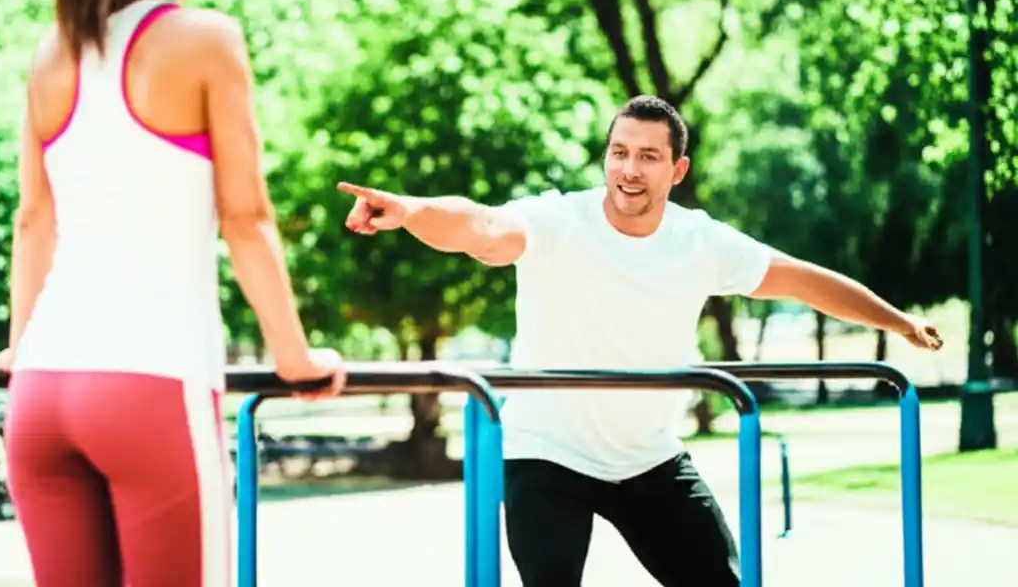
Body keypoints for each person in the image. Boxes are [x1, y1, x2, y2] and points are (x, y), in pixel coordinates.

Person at [338, 94, 942, 587]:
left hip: (648, 458)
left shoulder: (699, 241)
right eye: (619, 152)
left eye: (649, 157)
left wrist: (898, 322)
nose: (629, 169)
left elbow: (802, 281)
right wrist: (413, 210)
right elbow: (483, 226)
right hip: (547, 454)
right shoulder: (558, 222)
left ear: (676, 170)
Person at [0, 0, 346, 585]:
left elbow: (34, 220)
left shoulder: (51, 51)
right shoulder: (205, 40)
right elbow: (246, 218)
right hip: (148, 386)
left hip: (41, 392)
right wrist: (296, 358)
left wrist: (16, 345)